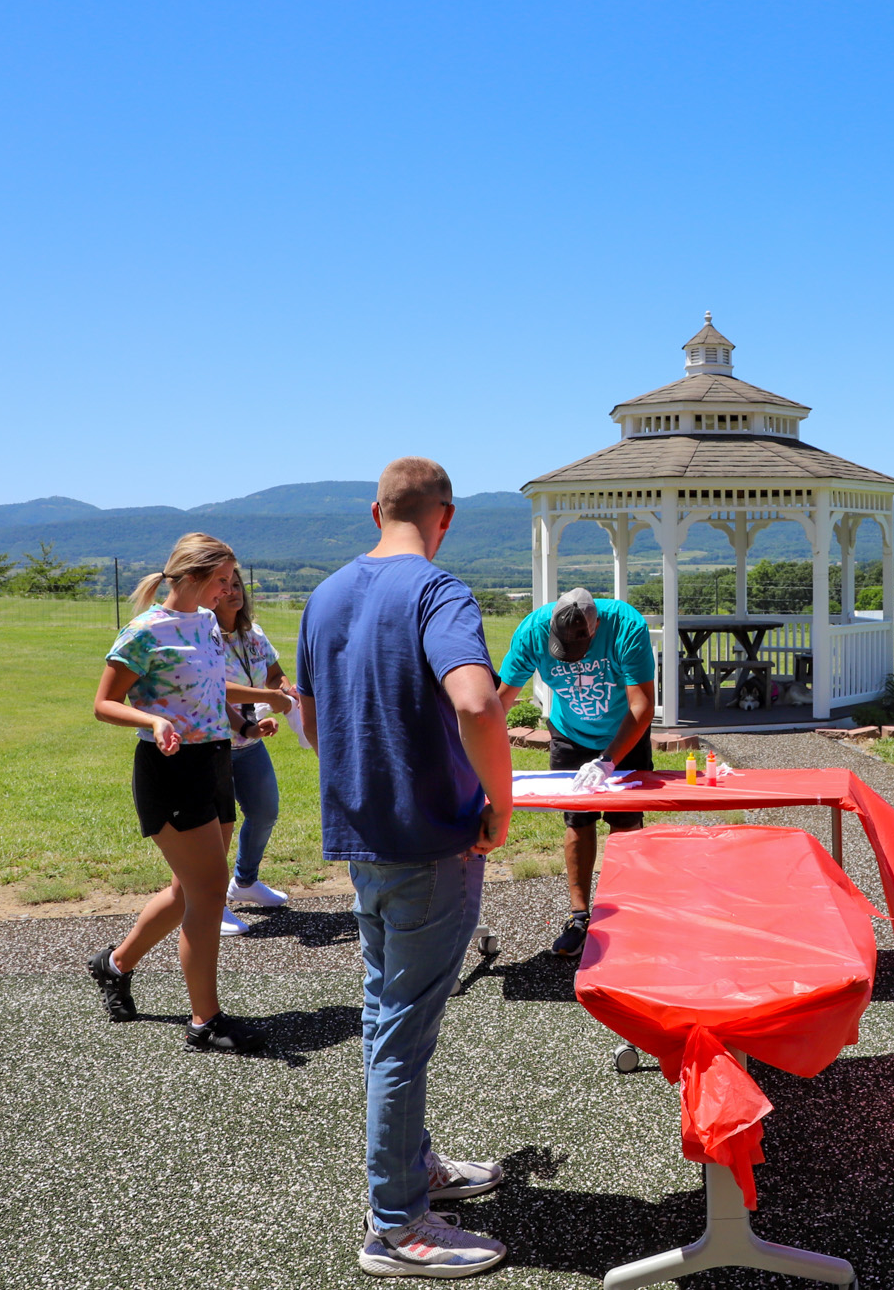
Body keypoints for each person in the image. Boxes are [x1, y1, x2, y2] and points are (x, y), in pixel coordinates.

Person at [295, 457, 513, 1279]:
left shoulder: (324, 595)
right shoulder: (437, 590)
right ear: (444, 516)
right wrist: (501, 803)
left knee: (385, 1018)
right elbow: (477, 701)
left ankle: (412, 1168)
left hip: (365, 841)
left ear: (374, 510)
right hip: (432, 843)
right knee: (401, 1036)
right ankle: (396, 1223)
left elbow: (312, 721)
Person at [86, 532, 292, 1053]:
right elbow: (104, 704)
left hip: (215, 762)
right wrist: (153, 721)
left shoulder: (205, 624)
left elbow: (213, 690)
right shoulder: (145, 631)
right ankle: (205, 1021)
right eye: (222, 580)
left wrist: (250, 720)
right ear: (196, 576)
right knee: (209, 891)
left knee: (189, 891)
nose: (228, 591)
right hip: (170, 770)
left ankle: (114, 965)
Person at [496, 586, 658, 957]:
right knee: (577, 820)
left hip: (624, 733)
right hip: (570, 734)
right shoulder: (532, 630)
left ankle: (627, 915)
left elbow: (642, 706)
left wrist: (608, 760)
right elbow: (500, 699)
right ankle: (579, 917)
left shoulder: (625, 625)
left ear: (595, 626)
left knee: (626, 823)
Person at [213, 573, 297, 936]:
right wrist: (269, 698)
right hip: (211, 745)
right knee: (217, 829)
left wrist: (286, 690)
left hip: (249, 742)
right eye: (224, 586)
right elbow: (214, 688)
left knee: (264, 812)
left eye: (237, 586)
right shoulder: (204, 636)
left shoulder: (254, 635)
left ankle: (244, 882)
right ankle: (211, 904)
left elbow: (274, 674)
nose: (232, 592)